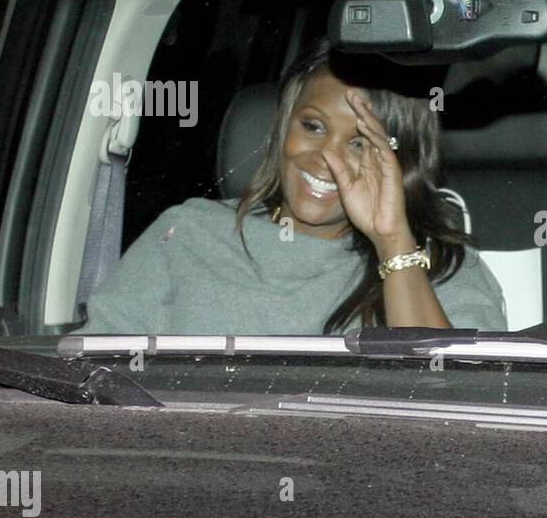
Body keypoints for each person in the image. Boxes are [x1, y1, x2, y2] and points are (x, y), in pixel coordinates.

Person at [81, 39, 507, 334]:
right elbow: (96, 371)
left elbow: (456, 403)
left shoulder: (440, 266)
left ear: (400, 159)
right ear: (285, 123)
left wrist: (393, 243)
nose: (327, 157)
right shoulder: (186, 233)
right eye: (313, 126)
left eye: (359, 143)